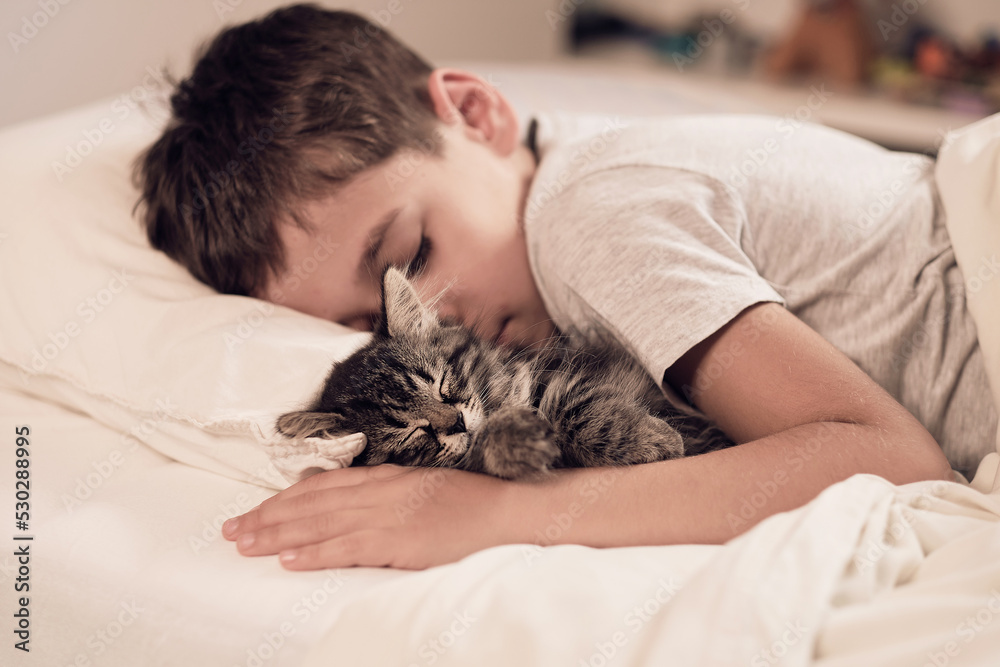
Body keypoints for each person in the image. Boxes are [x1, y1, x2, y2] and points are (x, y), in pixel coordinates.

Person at [134, 4, 996, 571]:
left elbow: (888, 458)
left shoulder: (584, 218)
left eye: (415, 252)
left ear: (475, 115)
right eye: (375, 323)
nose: (431, 324)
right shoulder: (572, 175)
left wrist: (487, 516)